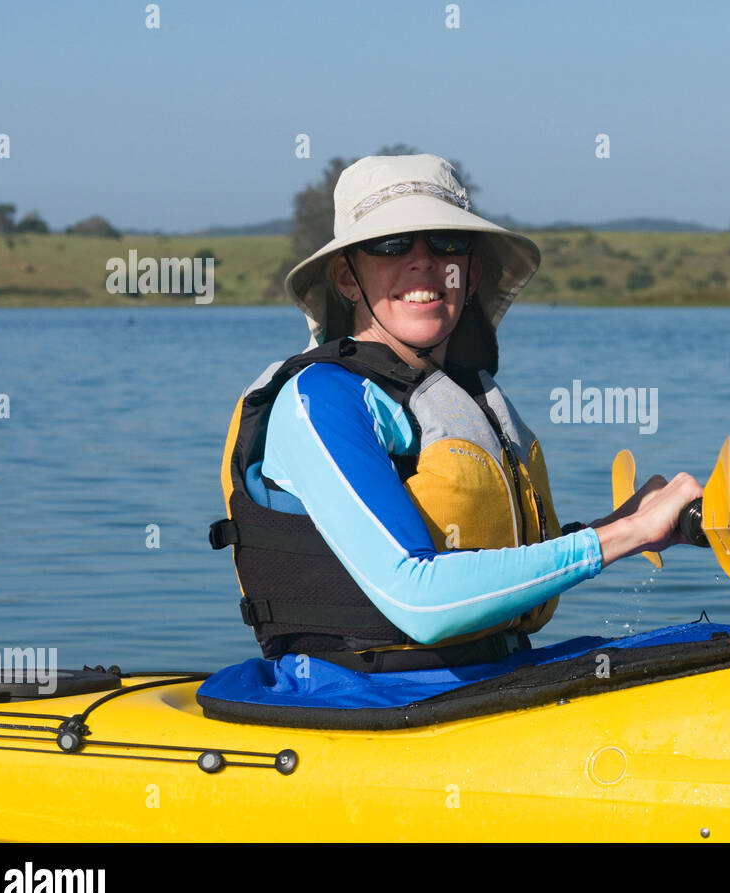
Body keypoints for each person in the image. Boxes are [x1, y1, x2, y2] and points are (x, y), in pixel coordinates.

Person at [210, 154, 701, 671]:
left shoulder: (469, 396)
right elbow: (421, 603)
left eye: (446, 242)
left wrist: (631, 518)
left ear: (470, 272)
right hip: (362, 702)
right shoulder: (321, 400)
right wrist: (628, 536)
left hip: (488, 679)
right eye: (391, 243)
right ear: (346, 278)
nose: (423, 261)